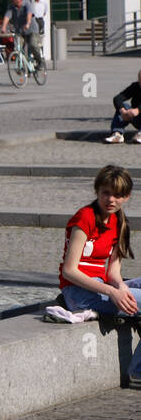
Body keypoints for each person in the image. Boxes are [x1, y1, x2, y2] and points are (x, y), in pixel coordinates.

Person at [58, 165, 141, 383]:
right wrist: (112, 293)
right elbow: (69, 270)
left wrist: (121, 289)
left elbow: (114, 272)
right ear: (97, 191)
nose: (111, 199)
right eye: (106, 192)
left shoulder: (120, 222)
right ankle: (139, 369)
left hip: (102, 285)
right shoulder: (85, 218)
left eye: (118, 195)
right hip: (78, 291)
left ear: (127, 197)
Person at [0, 0, 42, 69]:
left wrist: (28, 23)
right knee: (18, 49)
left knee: (33, 45)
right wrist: (3, 27)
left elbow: (29, 14)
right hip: (19, 31)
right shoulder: (11, 7)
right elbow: (7, 16)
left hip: (31, 30)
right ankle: (24, 67)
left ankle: (39, 60)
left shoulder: (27, 5)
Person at [103, 70, 141, 143]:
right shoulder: (135, 86)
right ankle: (117, 134)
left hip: (138, 113)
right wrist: (123, 111)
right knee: (123, 106)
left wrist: (138, 110)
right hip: (137, 118)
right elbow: (118, 98)